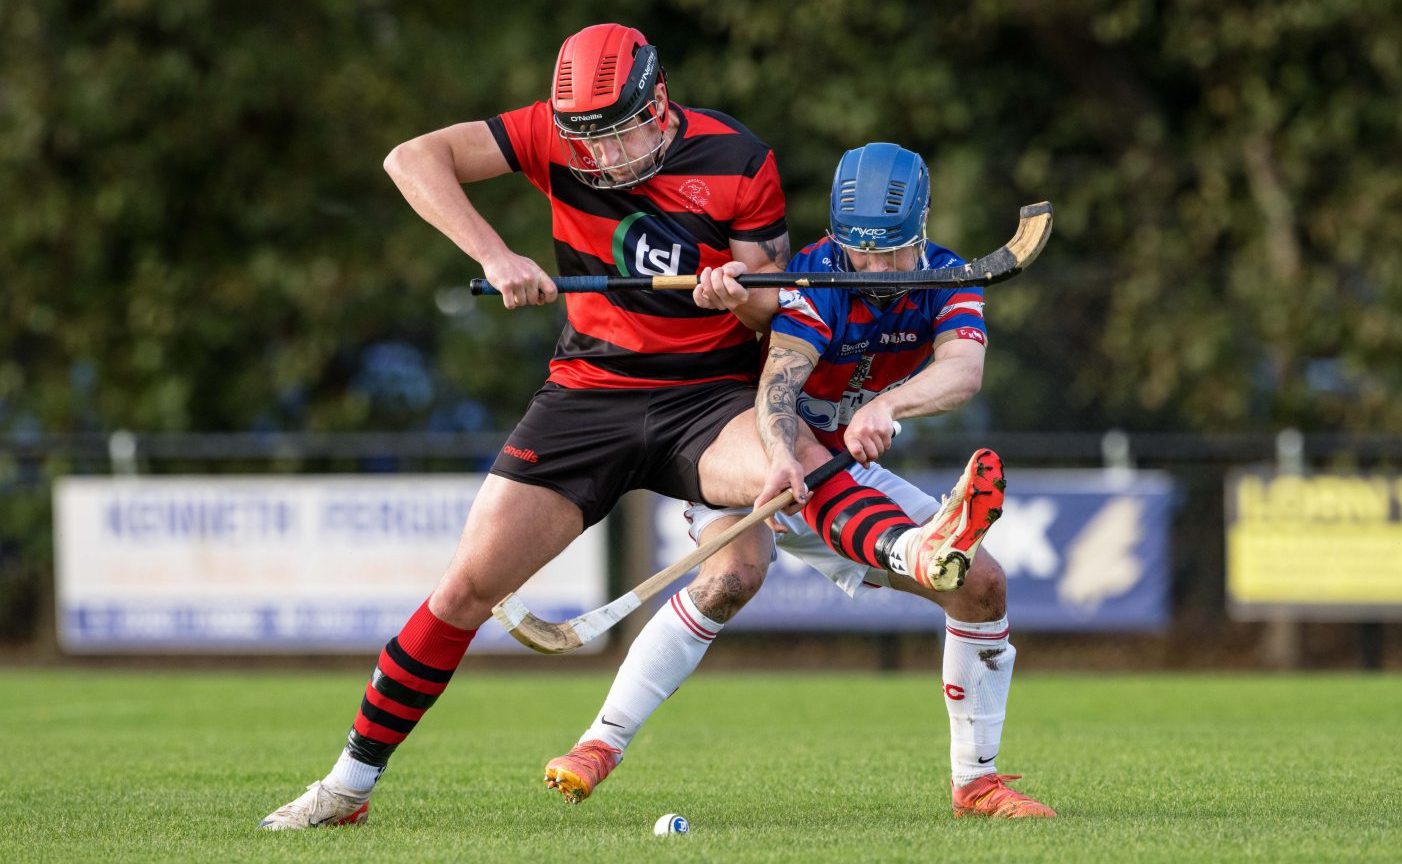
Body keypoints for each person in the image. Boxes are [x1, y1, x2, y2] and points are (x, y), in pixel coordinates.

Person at [261, 26, 985, 830]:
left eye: (617, 134)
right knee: (466, 589)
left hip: (708, 397)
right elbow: (411, 158)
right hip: (588, 395)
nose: (600, 159)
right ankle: (347, 787)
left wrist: (734, 294)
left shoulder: (739, 160)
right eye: (585, 141)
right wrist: (496, 253)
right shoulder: (548, 134)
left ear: (659, 102)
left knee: (794, 456)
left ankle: (913, 549)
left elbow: (777, 314)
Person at [544, 143, 1054, 820]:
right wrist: (780, 452)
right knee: (732, 576)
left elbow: (962, 369)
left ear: (923, 225)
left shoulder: (946, 275)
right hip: (754, 448)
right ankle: (598, 746)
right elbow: (776, 389)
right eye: (859, 253)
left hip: (846, 468)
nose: (873, 271)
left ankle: (977, 785)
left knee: (983, 585)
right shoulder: (815, 280)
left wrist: (889, 405)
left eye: (892, 253)